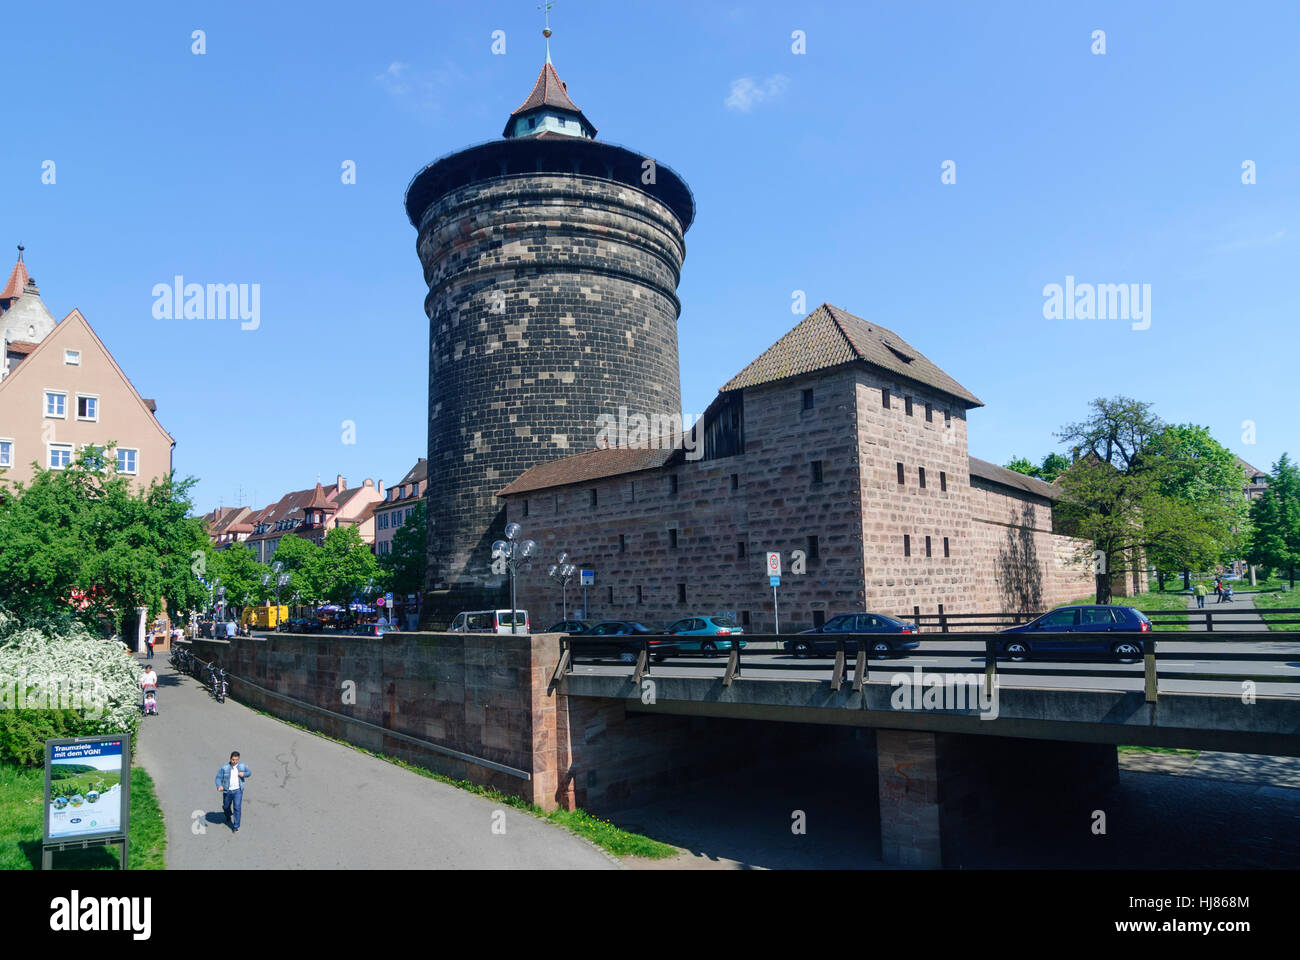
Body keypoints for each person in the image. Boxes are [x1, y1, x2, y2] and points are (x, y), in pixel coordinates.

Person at [215, 751, 251, 833]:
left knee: (237, 808)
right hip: (227, 791)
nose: (234, 761)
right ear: (230, 758)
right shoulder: (224, 767)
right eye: (233, 759)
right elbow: (218, 777)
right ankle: (228, 815)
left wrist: (244, 774)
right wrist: (219, 786)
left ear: (239, 759)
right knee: (226, 806)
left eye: (236, 760)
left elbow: (249, 773)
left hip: (238, 791)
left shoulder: (242, 766)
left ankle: (236, 826)